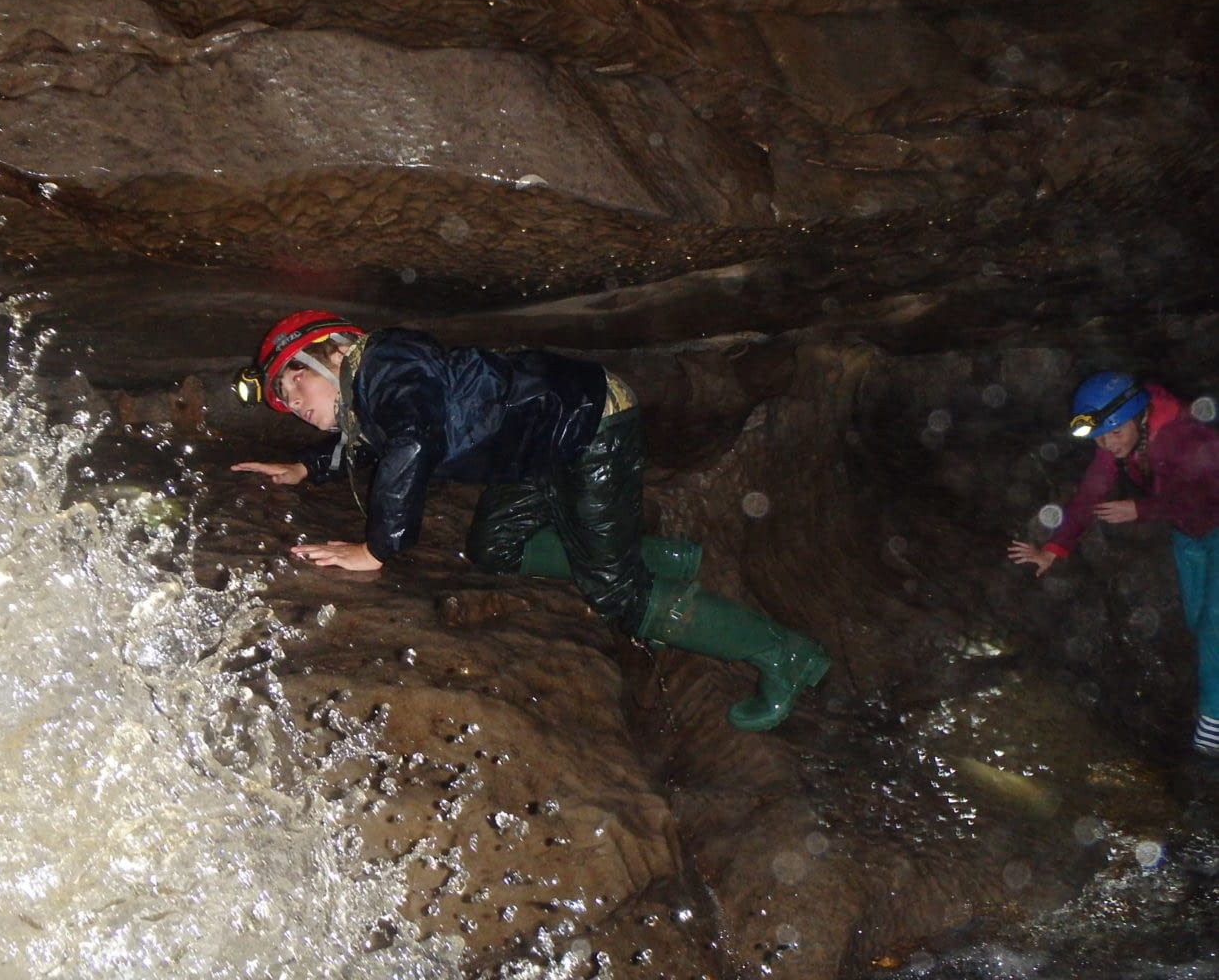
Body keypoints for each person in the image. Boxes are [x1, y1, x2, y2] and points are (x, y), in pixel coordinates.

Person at [231, 309, 830, 731]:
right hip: (538, 440)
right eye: (284, 399)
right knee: (495, 544)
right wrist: (306, 469)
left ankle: (785, 655)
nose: (294, 405)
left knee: (615, 592)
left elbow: (409, 440)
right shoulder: (373, 385)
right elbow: (376, 440)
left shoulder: (387, 363)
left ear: (335, 351)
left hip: (589, 425)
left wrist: (379, 549)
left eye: (295, 380)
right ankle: (657, 554)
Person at [1008, 371, 1219, 757]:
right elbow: (1091, 492)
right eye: (1099, 438)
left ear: (1137, 416)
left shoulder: (1184, 437)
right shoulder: (1119, 437)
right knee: (1196, 619)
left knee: (1213, 625)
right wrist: (1053, 548)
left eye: (1113, 434)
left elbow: (1208, 496)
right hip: (1189, 535)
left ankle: (1212, 734)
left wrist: (1141, 508)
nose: (1107, 444)